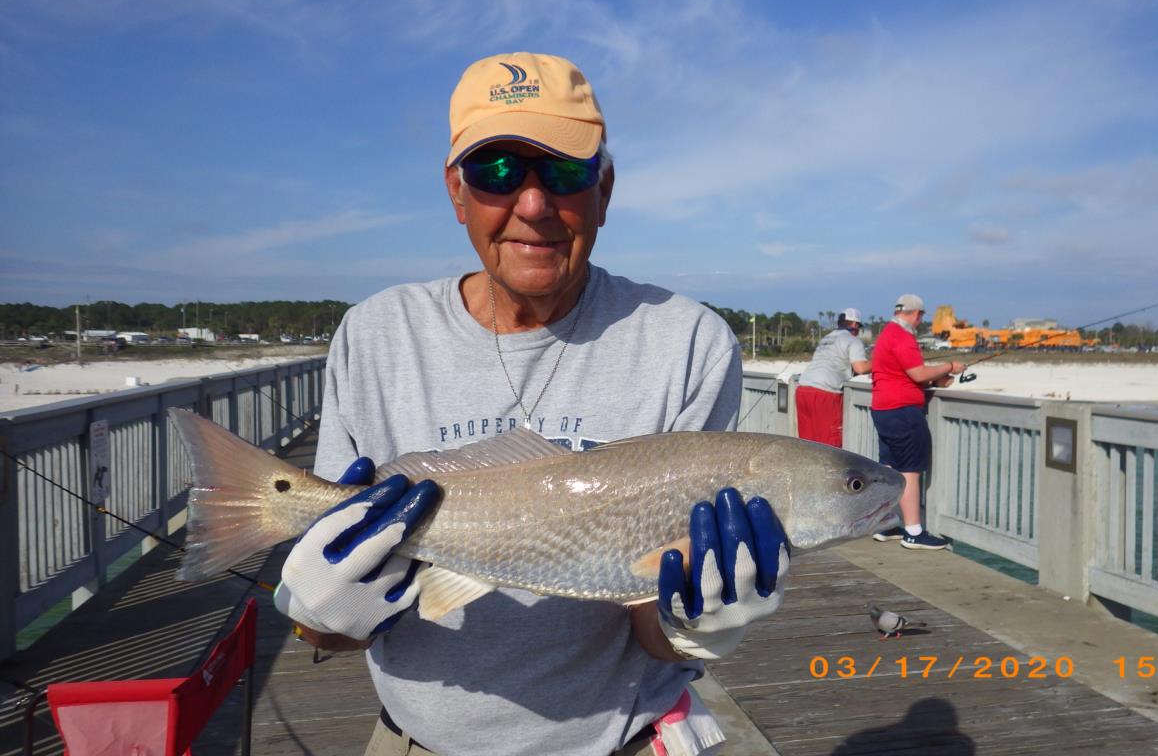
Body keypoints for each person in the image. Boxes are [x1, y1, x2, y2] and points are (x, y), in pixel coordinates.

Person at [270, 52, 790, 756]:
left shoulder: (687, 341)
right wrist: (321, 614)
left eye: (566, 172)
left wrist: (697, 621)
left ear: (603, 189)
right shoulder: (377, 333)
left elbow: (652, 630)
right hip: (415, 739)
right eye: (498, 173)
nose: (534, 204)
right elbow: (326, 633)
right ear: (456, 193)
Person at [868, 293, 965, 550]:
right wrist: (949, 366)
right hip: (902, 411)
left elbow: (905, 374)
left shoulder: (887, 333)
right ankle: (913, 531)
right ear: (915, 313)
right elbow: (918, 372)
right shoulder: (902, 336)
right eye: (922, 316)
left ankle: (887, 525)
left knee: (889, 467)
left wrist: (932, 380)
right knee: (909, 469)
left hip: (883, 408)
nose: (921, 321)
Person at [795, 308, 870, 447]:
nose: (858, 330)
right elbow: (860, 368)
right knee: (830, 447)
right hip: (825, 393)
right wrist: (880, 362)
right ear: (854, 324)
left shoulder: (827, 337)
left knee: (807, 445)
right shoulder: (852, 340)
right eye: (859, 327)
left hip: (803, 389)